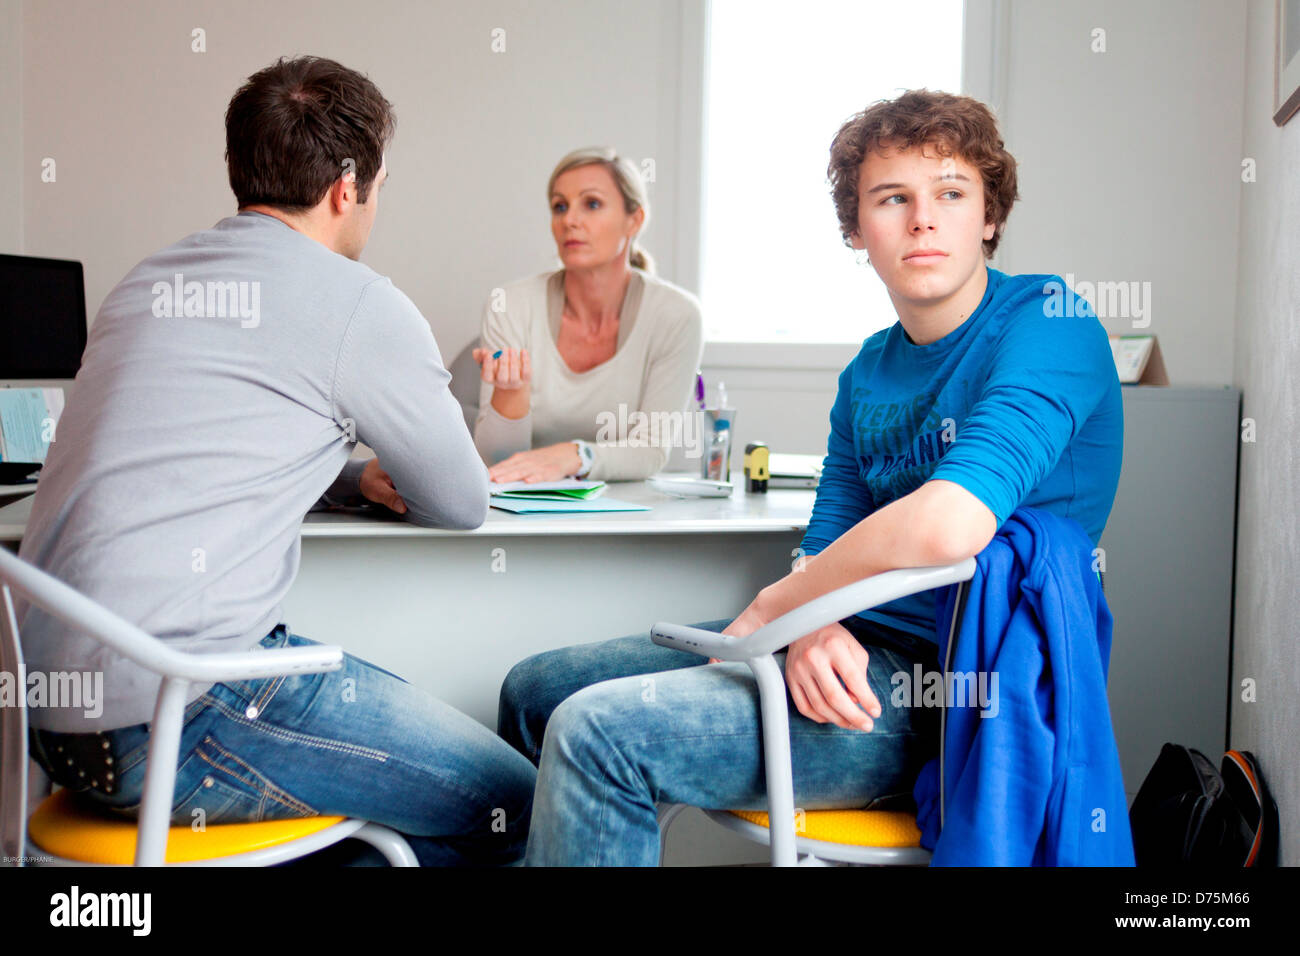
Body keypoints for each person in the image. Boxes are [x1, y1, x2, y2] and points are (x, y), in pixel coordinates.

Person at [497, 89, 1124, 865]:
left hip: (954, 690)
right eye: (892, 199)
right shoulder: (867, 371)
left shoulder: (1051, 319)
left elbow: (948, 523)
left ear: (989, 215)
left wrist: (780, 608)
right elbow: (823, 545)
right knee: (535, 690)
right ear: (858, 230)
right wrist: (813, 624)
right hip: (836, 646)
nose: (922, 219)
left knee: (599, 733)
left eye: (951, 194)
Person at [19, 55, 536, 866]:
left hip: (50, 725)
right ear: (347, 185)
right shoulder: (360, 301)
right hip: (179, 712)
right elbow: (462, 501)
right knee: (519, 805)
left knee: (382, 823)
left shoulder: (147, 283)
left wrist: (346, 475)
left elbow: (189, 447)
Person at [471, 148, 704, 483]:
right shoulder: (509, 305)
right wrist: (512, 393)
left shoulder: (676, 316)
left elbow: (652, 450)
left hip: (628, 516)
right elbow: (497, 461)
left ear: (634, 220)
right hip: (522, 510)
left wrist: (577, 455)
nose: (570, 220)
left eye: (592, 204)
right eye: (559, 206)